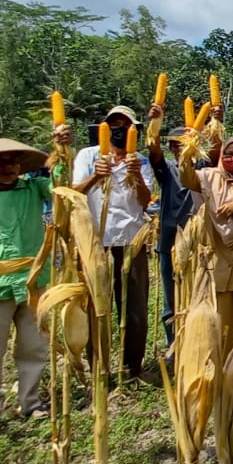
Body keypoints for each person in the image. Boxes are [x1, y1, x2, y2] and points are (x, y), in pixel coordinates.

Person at [0, 132, 70, 421]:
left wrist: (63, 151)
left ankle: (30, 401)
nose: (9, 168)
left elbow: (61, 187)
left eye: (13, 162)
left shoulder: (34, 189)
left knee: (34, 345)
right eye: (0, 163)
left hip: (32, 282)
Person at [72, 105, 156, 381]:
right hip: (95, 242)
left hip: (131, 239)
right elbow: (73, 194)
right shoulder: (88, 155)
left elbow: (146, 201)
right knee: (96, 308)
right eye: (114, 124)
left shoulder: (141, 161)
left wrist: (134, 176)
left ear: (135, 130)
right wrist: (97, 174)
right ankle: (99, 368)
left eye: (126, 125)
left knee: (135, 310)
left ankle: (133, 367)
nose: (120, 129)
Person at [145, 102, 224, 347]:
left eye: (186, 141)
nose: (182, 146)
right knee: (172, 299)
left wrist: (217, 122)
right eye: (177, 143)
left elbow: (216, 153)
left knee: (201, 292)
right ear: (171, 147)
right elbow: (153, 151)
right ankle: (174, 347)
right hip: (170, 242)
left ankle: (200, 342)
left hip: (200, 242)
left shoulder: (202, 169)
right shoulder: (166, 170)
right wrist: (155, 123)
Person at [179, 136, 233, 352]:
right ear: (221, 157)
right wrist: (188, 155)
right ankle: (220, 352)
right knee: (220, 306)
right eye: (229, 154)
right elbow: (187, 179)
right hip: (216, 252)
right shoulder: (208, 177)